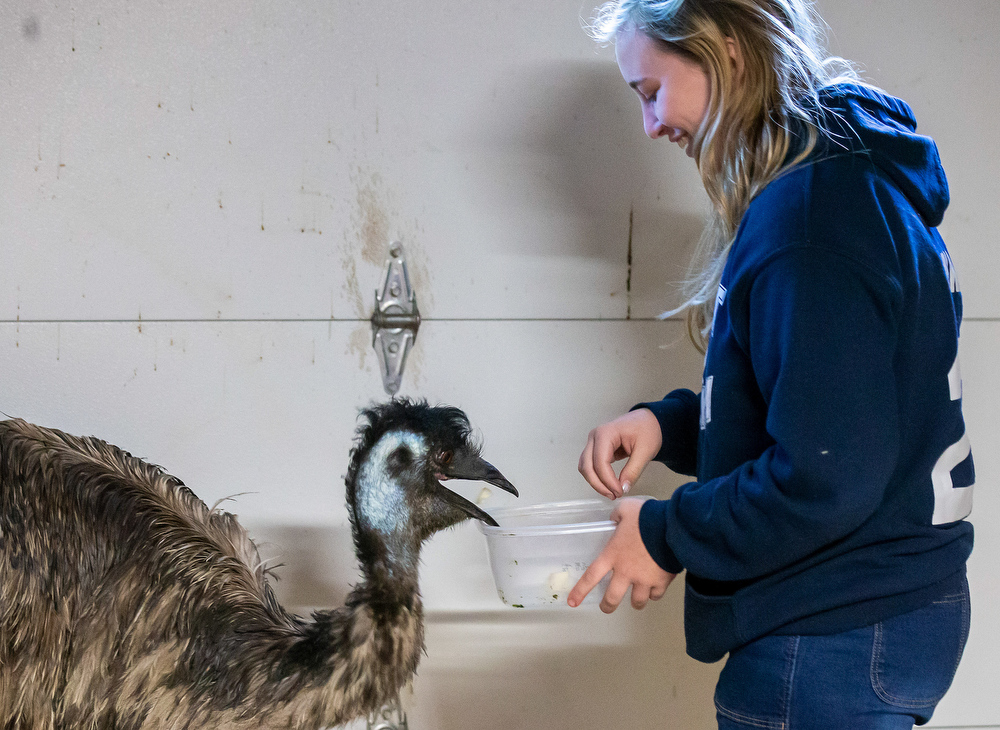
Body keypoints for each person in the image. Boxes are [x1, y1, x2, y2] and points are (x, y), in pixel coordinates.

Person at [566, 1, 974, 727]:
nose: (651, 127)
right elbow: (828, 405)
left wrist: (665, 532)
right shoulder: (855, 186)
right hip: (891, 608)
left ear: (726, 52)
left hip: (833, 629)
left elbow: (824, 474)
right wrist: (670, 426)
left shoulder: (810, 218)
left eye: (651, 92)